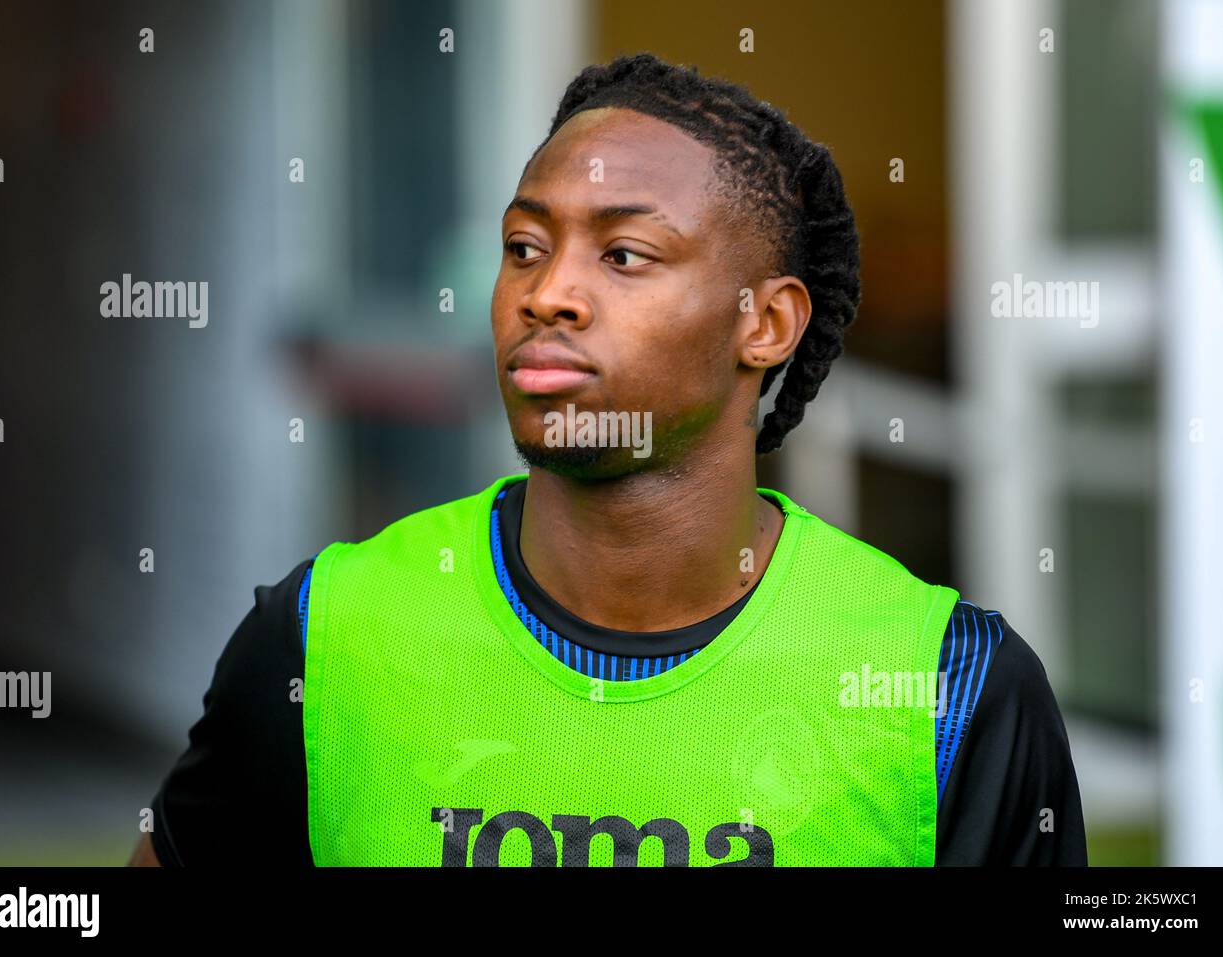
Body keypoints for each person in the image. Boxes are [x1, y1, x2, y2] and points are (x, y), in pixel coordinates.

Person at [130, 52, 1086, 867]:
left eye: (624, 254)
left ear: (767, 322)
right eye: (523, 245)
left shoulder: (952, 688)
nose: (549, 293)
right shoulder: (321, 637)